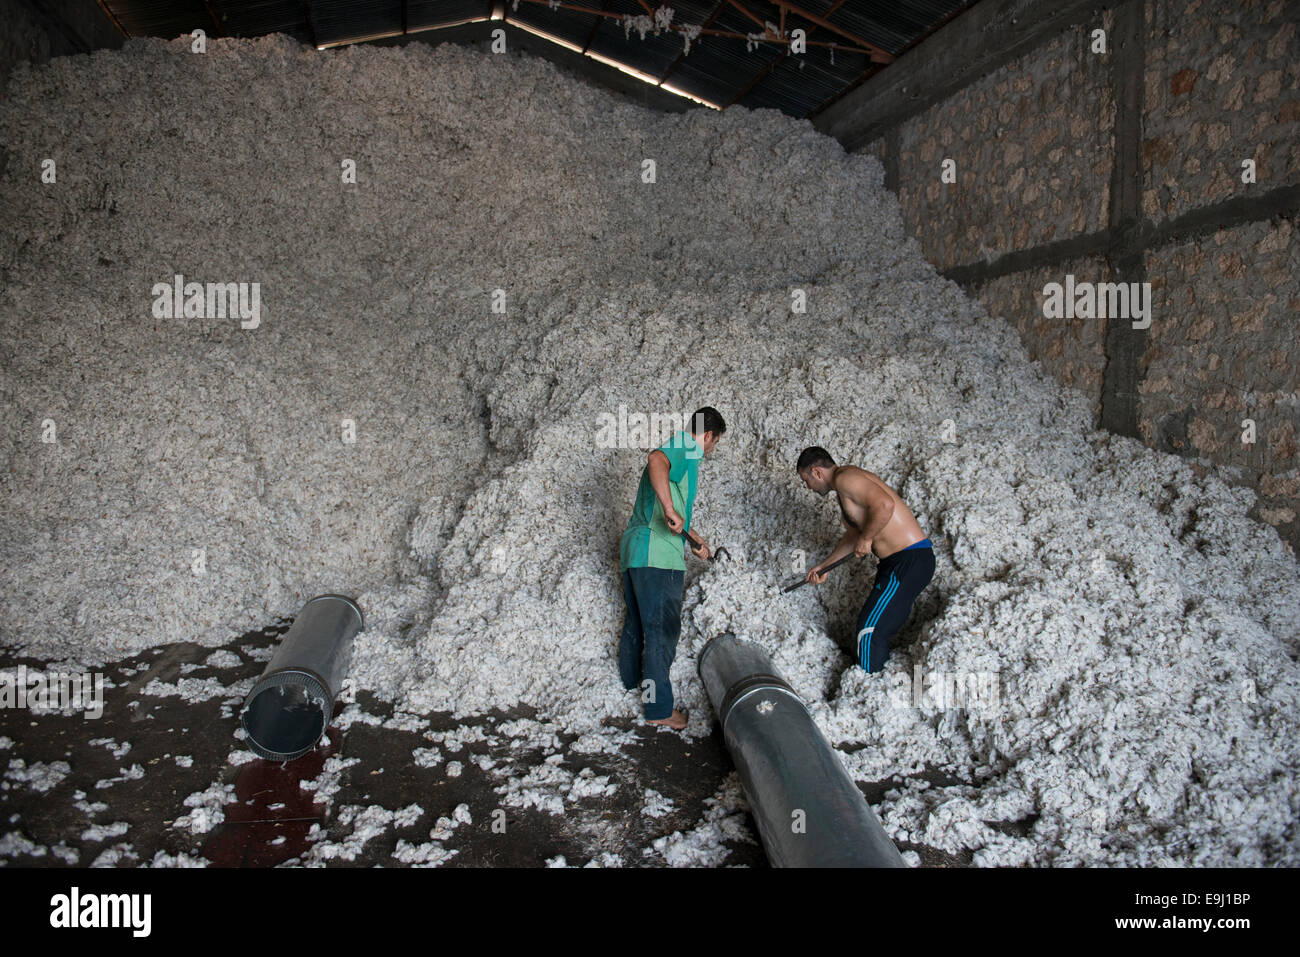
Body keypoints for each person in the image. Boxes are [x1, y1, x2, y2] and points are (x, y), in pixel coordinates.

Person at [618, 407, 726, 730]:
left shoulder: (682, 455)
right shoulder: (685, 446)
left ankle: (628, 686)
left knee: (637, 624)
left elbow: (673, 516)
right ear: (708, 435)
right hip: (658, 556)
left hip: (635, 551)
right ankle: (659, 709)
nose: (710, 450)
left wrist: (695, 540)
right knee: (662, 630)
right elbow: (655, 460)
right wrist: (669, 508)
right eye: (714, 443)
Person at [795, 446, 934, 673]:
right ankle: (879, 679)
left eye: (806, 480)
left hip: (909, 559)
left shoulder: (845, 478)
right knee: (872, 627)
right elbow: (853, 537)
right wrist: (825, 567)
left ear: (817, 472)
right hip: (896, 563)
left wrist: (867, 537)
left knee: (870, 630)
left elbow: (885, 505)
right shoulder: (843, 492)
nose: (808, 487)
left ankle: (869, 687)